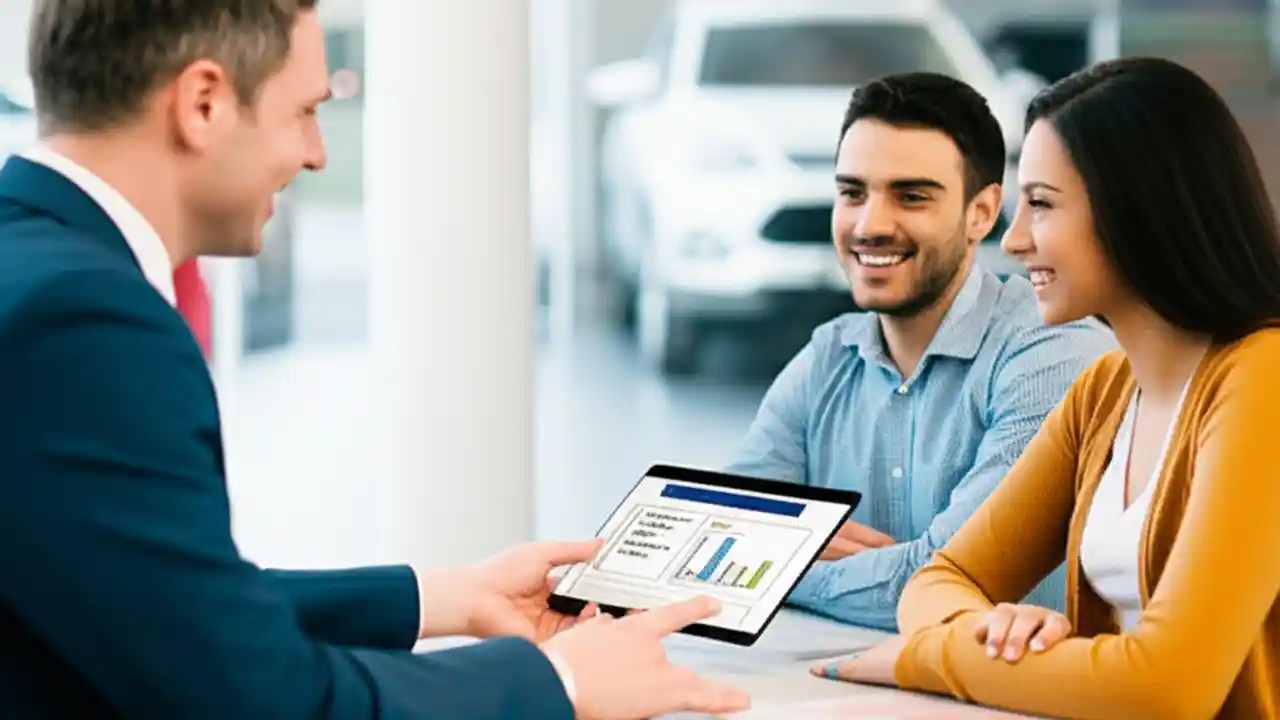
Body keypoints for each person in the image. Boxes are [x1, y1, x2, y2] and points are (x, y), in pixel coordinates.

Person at [0, 2, 750, 719]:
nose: (317, 154)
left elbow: (155, 602)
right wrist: (561, 680)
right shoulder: (85, 319)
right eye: (305, 111)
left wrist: (442, 596)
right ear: (203, 103)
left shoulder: (28, 262)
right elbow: (249, 696)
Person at [817, 57, 1280, 719]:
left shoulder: (1265, 379)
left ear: (1137, 210)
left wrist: (926, 659)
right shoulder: (1103, 393)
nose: (1014, 240)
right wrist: (995, 639)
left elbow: (1169, 688)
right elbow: (941, 579)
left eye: (1040, 204)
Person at [725, 72, 1113, 630]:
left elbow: (950, 579)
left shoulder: (1051, 353)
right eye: (852, 193)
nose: (870, 224)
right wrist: (749, 555)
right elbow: (713, 530)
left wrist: (785, 564)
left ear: (981, 213)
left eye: (911, 197)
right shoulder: (828, 356)